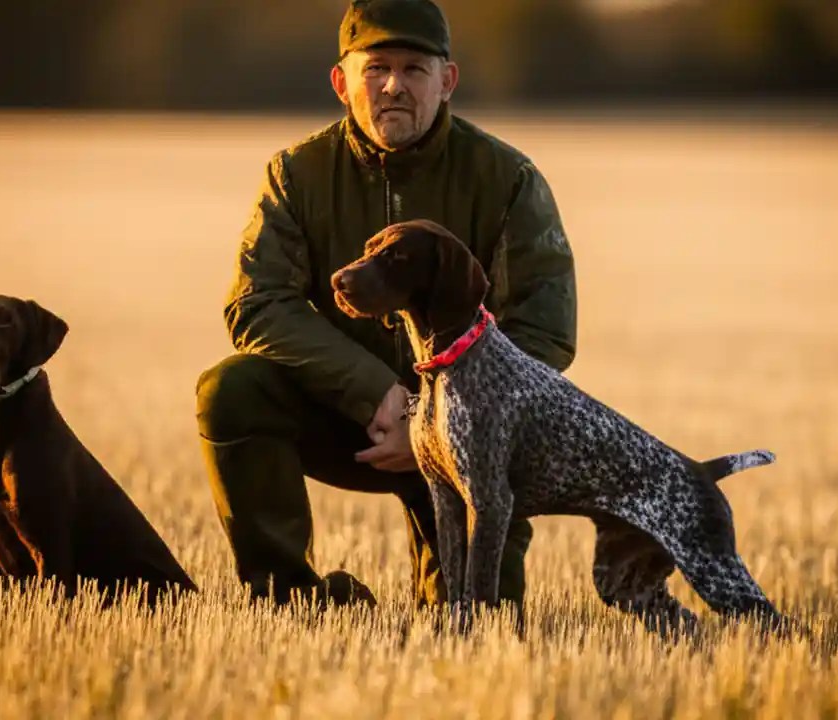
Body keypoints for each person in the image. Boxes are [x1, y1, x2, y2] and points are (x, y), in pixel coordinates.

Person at [195, 0, 576, 609]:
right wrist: (375, 391)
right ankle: (288, 599)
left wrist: (434, 421)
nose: (394, 84)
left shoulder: (508, 179)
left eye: (414, 68)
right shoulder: (295, 175)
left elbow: (545, 329)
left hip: (467, 435)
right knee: (230, 392)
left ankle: (449, 592)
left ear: (447, 81)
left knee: (476, 619)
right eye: (376, 68)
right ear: (341, 82)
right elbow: (257, 304)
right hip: (350, 415)